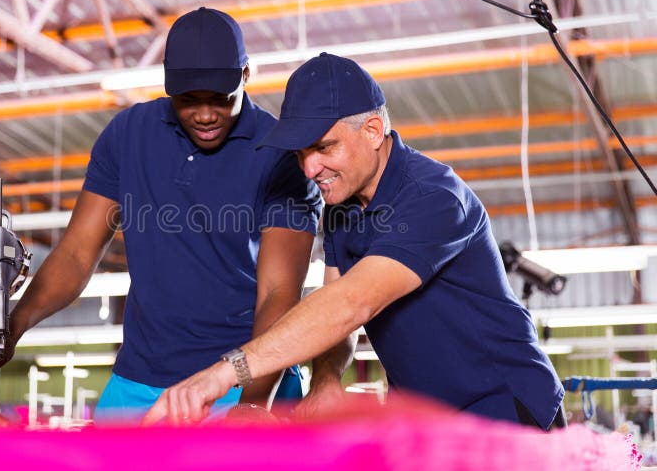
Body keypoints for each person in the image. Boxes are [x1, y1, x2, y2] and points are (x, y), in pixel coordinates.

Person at [143, 53, 565, 430]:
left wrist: (222, 375)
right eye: (300, 153)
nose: (309, 169)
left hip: (505, 410)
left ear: (373, 130)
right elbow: (336, 308)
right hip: (426, 424)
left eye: (324, 147)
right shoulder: (342, 208)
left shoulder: (434, 197)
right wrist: (326, 380)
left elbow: (351, 305)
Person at [0, 8, 322, 422]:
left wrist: (255, 401)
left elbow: (279, 292)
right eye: (189, 100)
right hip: (141, 377)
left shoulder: (281, 156)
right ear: (168, 83)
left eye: (220, 99)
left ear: (245, 74)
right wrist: (14, 324)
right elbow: (77, 254)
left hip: (245, 378)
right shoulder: (128, 135)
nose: (205, 115)